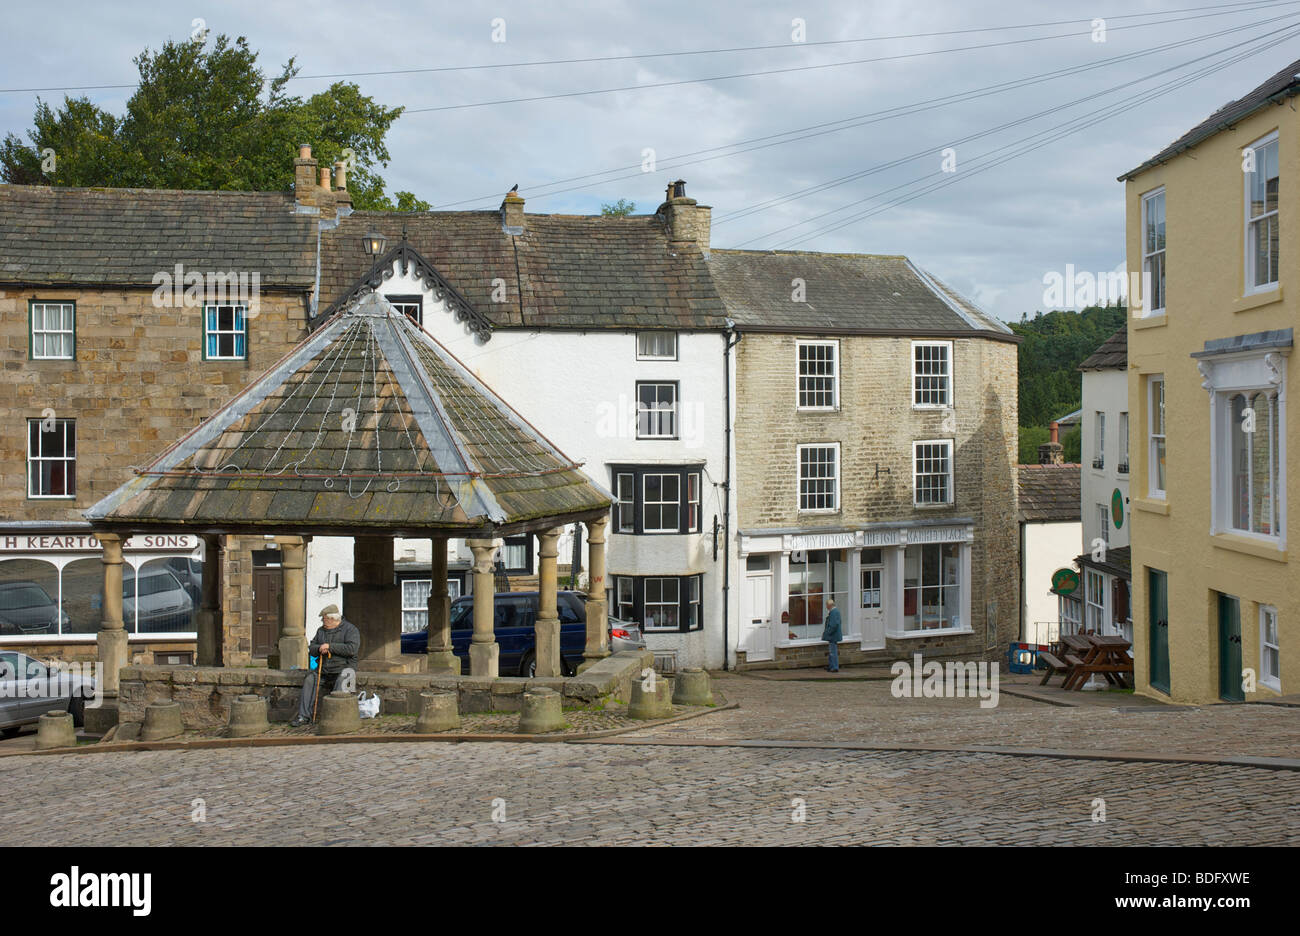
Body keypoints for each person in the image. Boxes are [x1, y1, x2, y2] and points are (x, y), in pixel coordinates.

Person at [291, 604, 361, 727]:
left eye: (324, 619)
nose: (323, 622)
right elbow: (312, 647)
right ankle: (304, 716)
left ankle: (336, 717)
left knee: (344, 679)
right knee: (310, 680)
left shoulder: (350, 630)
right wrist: (319, 649)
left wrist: (330, 647)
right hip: (324, 669)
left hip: (345, 668)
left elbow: (352, 649)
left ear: (332, 619)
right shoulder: (321, 631)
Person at [821, 598, 842, 673]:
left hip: (833, 635)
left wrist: (827, 633)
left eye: (827, 605)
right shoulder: (834, 612)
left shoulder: (834, 612)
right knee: (831, 651)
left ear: (829, 605)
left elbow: (833, 625)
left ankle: (834, 667)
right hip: (833, 635)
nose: (826, 607)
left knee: (833, 652)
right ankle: (831, 666)